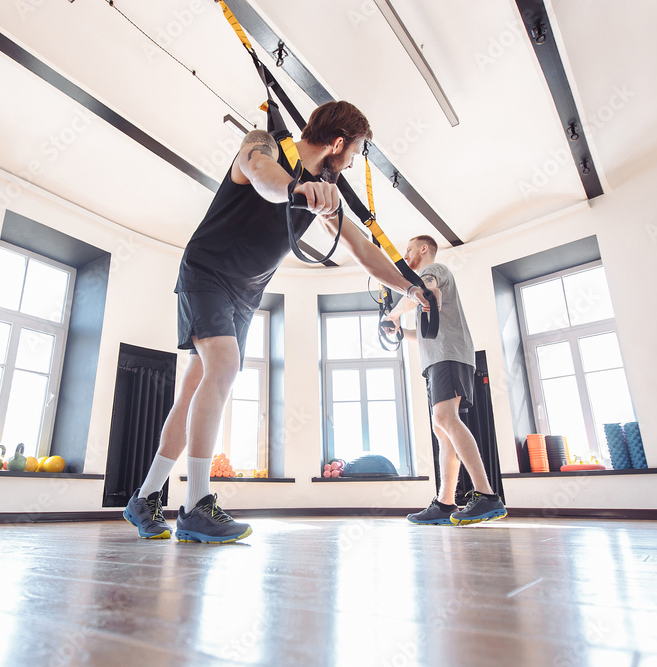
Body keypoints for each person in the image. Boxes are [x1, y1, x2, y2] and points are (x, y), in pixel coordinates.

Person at [124, 101, 430, 543]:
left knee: (195, 387)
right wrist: (297, 191)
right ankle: (194, 507)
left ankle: (146, 495)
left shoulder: (325, 189)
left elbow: (361, 250)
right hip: (207, 271)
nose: (351, 161)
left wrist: (408, 286)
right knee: (224, 367)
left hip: (245, 294)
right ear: (339, 143)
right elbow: (263, 175)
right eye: (355, 151)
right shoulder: (265, 144)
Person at [382, 236, 507, 526]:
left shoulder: (435, 270)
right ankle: (445, 502)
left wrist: (394, 313)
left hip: (448, 357)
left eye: (409, 250)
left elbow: (427, 288)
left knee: (445, 418)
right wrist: (400, 333)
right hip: (438, 360)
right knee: (442, 429)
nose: (406, 254)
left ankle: (487, 496)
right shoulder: (421, 295)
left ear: (424, 249)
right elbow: (424, 335)